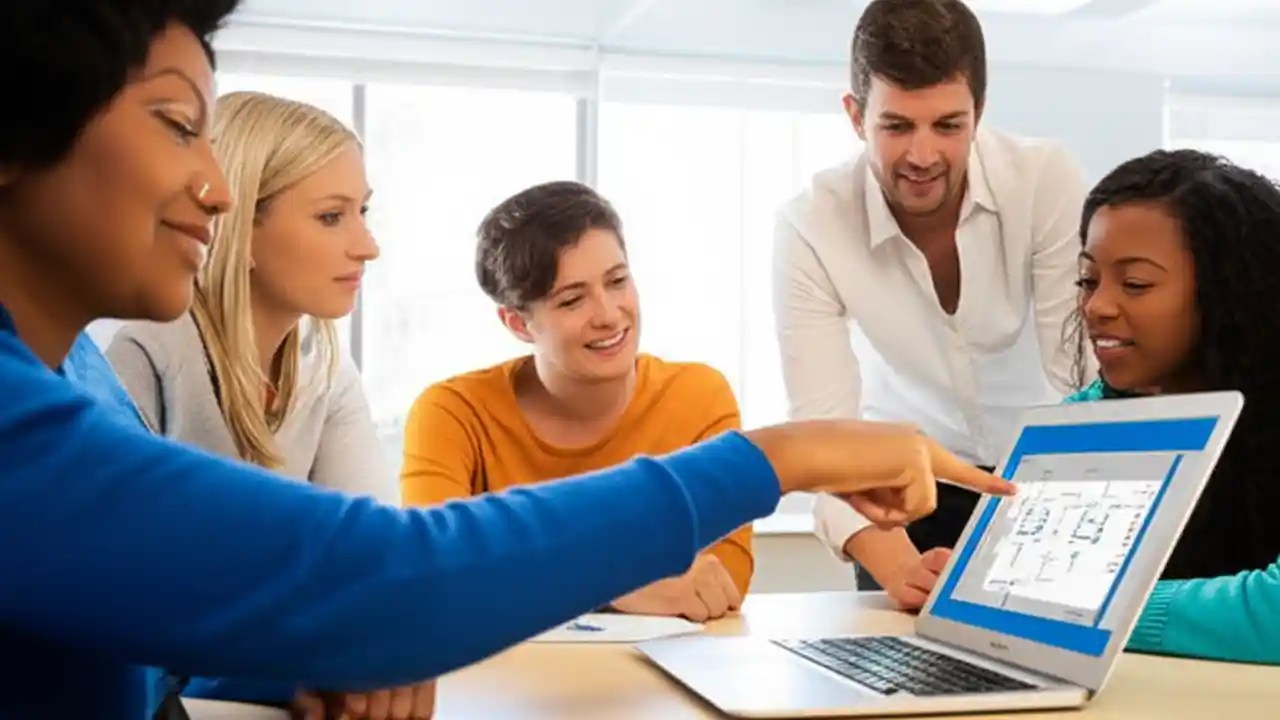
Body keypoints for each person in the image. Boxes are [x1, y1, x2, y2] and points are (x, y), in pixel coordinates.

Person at [0, 2, 1011, 717]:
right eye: (177, 125)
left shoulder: (75, 383)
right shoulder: (54, 403)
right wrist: (780, 455)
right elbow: (389, 571)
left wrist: (305, 662)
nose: (212, 190)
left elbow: (180, 629)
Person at [884, 149, 1280, 658]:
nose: (1097, 307)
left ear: (1229, 292)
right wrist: (959, 585)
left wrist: (1090, 611)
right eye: (1088, 280)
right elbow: (1011, 585)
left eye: (1135, 284)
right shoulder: (1080, 421)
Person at [101, 91, 418, 715]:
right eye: (332, 217)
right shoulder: (145, 349)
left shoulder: (323, 364)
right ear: (238, 224)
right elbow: (132, 611)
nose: (368, 246)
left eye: (364, 212)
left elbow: (374, 558)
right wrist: (288, 673)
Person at [772, 0, 1087, 606]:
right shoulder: (811, 225)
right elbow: (821, 429)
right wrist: (899, 569)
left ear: (979, 113)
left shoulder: (1043, 179)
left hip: (1043, 481)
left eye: (948, 125)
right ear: (856, 116)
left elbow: (1080, 373)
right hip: (900, 495)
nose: (922, 156)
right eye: (896, 127)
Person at [402, 181, 752, 622]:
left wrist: (521, 571)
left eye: (618, 281)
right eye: (571, 300)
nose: (608, 314)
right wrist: (623, 582)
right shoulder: (452, 412)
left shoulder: (698, 396)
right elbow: (432, 573)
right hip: (504, 681)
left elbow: (722, 581)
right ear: (517, 323)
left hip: (662, 677)